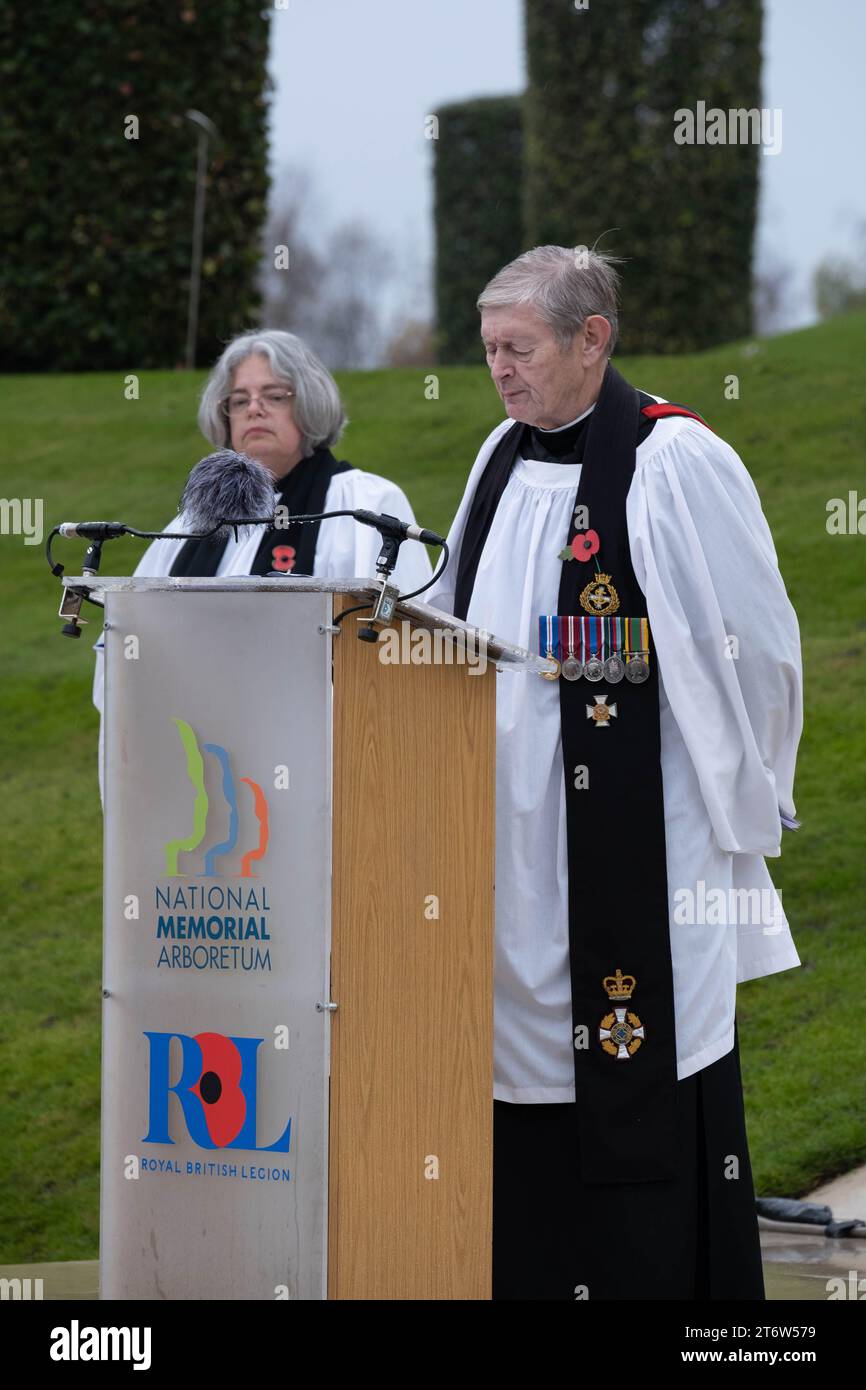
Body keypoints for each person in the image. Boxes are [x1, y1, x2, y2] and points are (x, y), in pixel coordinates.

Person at [425, 245, 803, 1300]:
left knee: (635, 1061)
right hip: (510, 832)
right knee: (519, 1068)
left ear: (592, 339)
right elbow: (456, 615)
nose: (499, 369)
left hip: (638, 829)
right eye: (488, 347)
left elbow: (754, 646)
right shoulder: (499, 455)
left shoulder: (673, 459)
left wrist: (748, 789)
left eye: (520, 347)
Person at [92, 329, 432, 799]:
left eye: (275, 395)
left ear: (308, 404)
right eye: (239, 400)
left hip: (320, 775)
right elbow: (128, 637)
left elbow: (406, 648)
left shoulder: (364, 504)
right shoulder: (193, 523)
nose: (254, 408)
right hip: (198, 771)